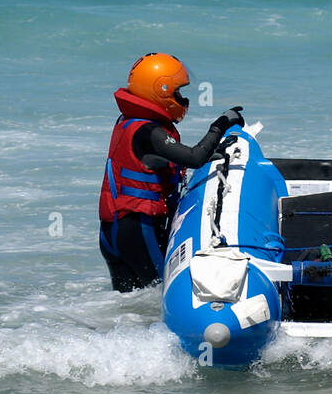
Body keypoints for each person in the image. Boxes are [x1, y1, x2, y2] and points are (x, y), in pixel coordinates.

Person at [98, 53, 244, 292]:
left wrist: (211, 153)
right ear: (161, 91)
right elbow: (194, 158)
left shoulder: (127, 121)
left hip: (112, 231)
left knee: (130, 307)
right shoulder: (150, 133)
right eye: (178, 92)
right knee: (161, 296)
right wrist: (220, 125)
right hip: (139, 231)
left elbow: (164, 159)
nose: (182, 99)